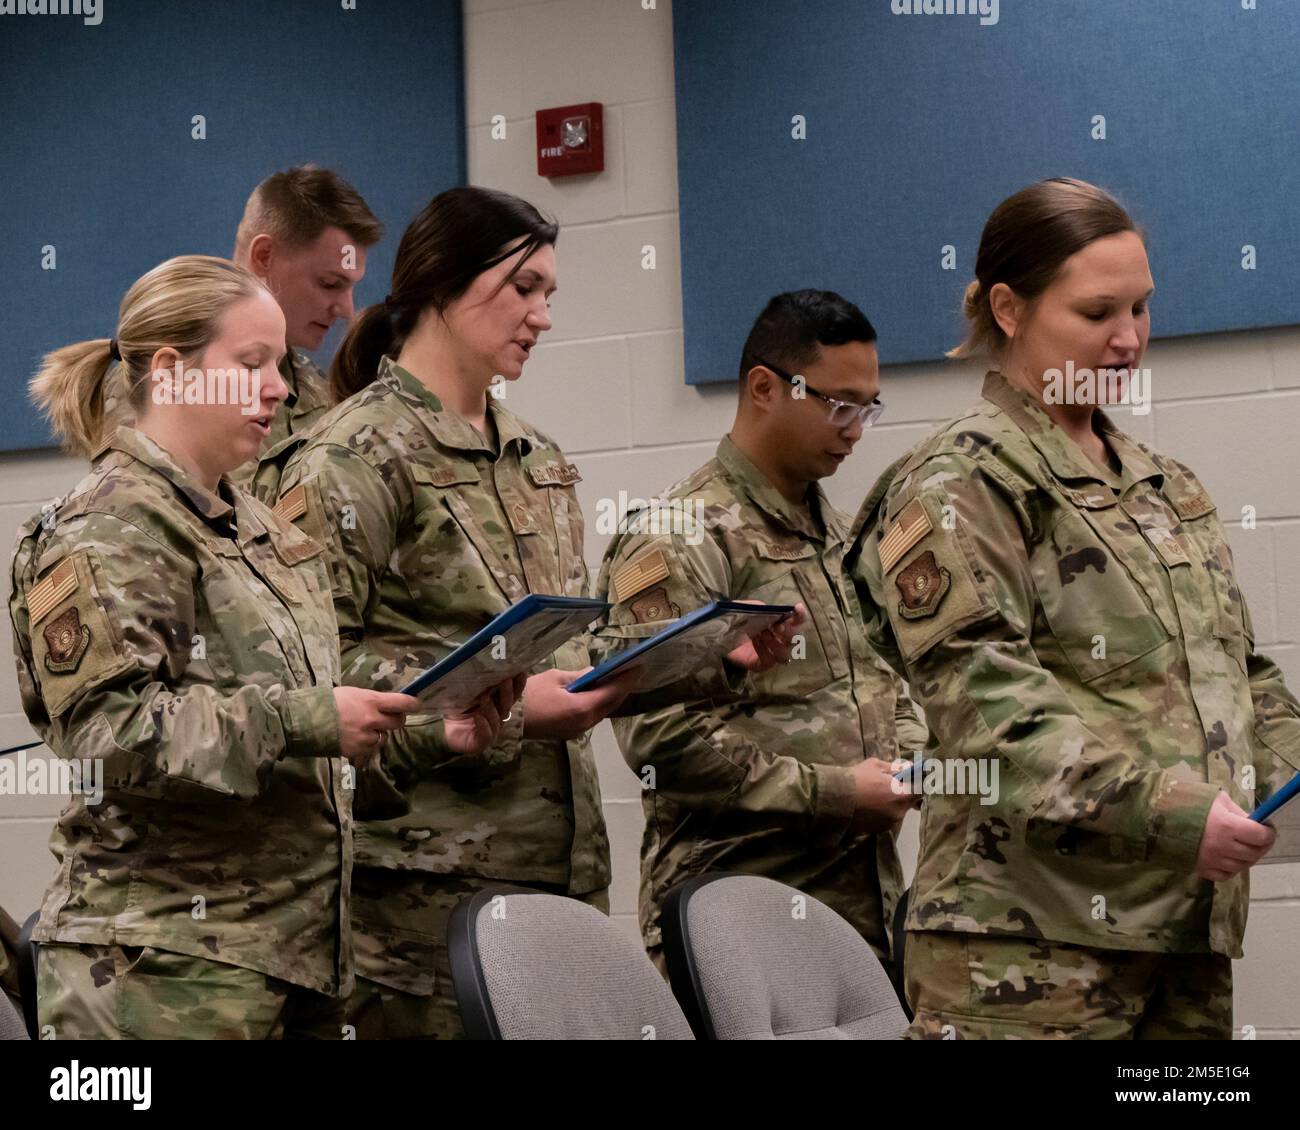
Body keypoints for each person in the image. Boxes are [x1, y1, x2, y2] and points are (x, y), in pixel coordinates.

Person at [11, 255, 507, 1039]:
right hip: (158, 978)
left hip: (293, 964)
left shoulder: (264, 530)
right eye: (251, 364)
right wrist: (311, 720)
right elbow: (110, 737)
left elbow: (301, 747)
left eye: (279, 364)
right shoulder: (107, 526)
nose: (279, 387)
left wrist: (424, 737)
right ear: (173, 372)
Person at [846, 178, 1294, 1039]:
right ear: (1010, 309)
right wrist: (1168, 812)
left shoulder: (1164, 486)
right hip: (1026, 955)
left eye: (1142, 309)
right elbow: (988, 709)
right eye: (1097, 314)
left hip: (1181, 934)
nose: (1129, 340)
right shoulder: (960, 481)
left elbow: (1242, 674)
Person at [276, 186, 645, 1039]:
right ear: (441, 284)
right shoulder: (352, 454)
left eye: (550, 294)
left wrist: (660, 664)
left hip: (558, 881)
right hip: (421, 918)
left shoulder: (535, 456)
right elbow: (300, 674)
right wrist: (514, 712)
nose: (542, 316)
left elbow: (557, 643)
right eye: (523, 288)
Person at [594, 290, 925, 973]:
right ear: (765, 387)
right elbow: (659, 736)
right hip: (736, 918)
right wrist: (835, 792)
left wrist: (913, 763)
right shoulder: (677, 535)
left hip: (859, 910)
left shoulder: (841, 536)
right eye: (839, 403)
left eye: (868, 406)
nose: (856, 427)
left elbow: (884, 682)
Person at [101, 165, 382, 500]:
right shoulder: (159, 383)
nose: (347, 309)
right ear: (264, 256)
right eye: (330, 283)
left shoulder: (314, 389)